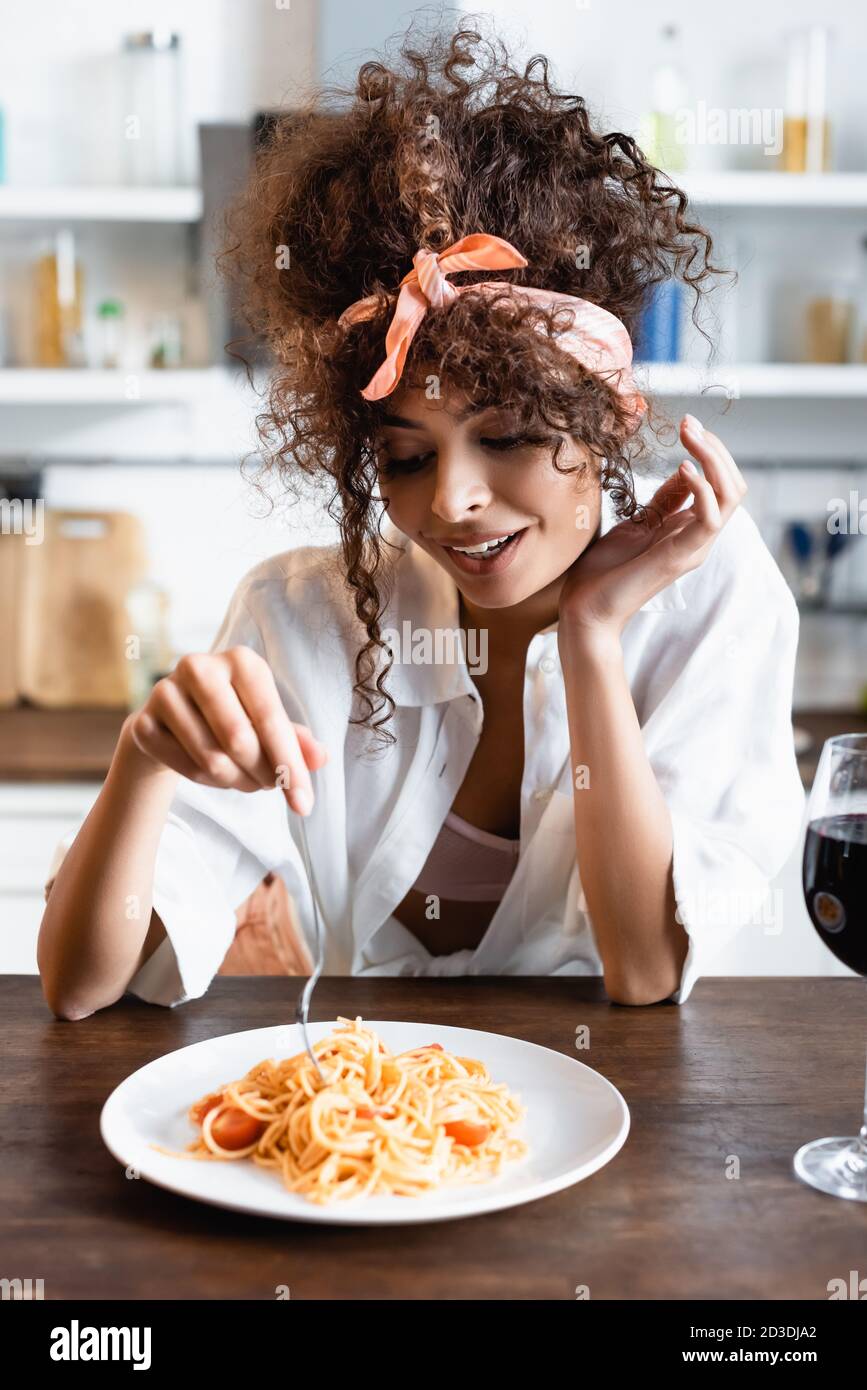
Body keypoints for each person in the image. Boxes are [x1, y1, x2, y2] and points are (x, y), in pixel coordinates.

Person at [37, 25, 805, 1019]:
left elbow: (646, 970)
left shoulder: (713, 593)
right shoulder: (300, 616)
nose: (450, 500)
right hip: (376, 1137)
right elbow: (79, 984)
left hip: (625, 1140)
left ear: (603, 418)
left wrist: (592, 634)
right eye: (404, 454)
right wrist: (141, 762)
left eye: (512, 437)